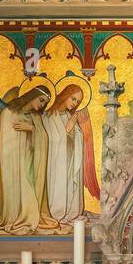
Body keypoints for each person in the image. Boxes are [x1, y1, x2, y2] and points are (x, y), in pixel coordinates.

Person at [0, 84, 53, 235]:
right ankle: (11, 216)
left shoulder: (35, 118)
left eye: (45, 103)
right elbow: (2, 142)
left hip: (27, 165)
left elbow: (43, 140)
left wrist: (31, 129)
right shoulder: (9, 112)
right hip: (10, 164)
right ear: (33, 95)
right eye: (41, 100)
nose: (42, 105)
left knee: (28, 199)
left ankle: (24, 218)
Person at [43, 83, 101, 225]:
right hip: (57, 164)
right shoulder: (49, 116)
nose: (74, 103)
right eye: (73, 98)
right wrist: (68, 128)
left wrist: (73, 130)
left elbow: (78, 137)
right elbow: (52, 141)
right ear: (65, 95)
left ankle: (71, 211)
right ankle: (58, 212)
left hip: (70, 161)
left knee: (70, 186)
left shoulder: (70, 116)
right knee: (60, 188)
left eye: (78, 101)